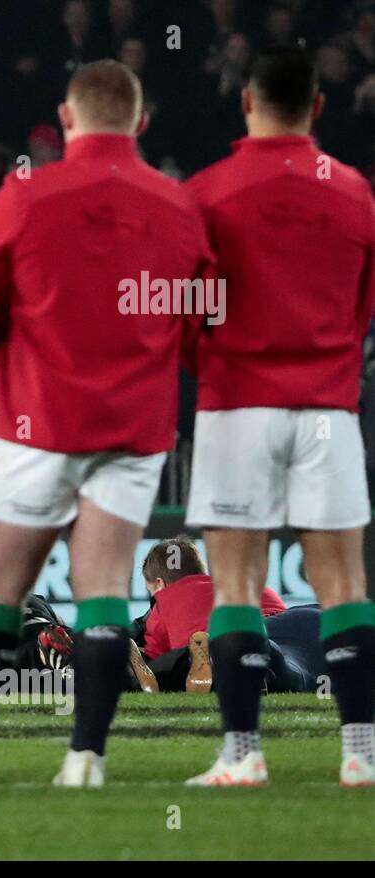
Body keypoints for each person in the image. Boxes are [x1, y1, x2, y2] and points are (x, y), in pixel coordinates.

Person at [0, 60, 212, 788]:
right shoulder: (177, 205)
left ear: (65, 117)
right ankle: (85, 757)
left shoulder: (26, 192)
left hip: (37, 418)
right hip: (133, 430)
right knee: (104, 591)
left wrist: (19, 365)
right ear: (140, 122)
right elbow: (198, 323)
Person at [183, 45, 375, 786]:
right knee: (344, 586)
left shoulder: (206, 192)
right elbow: (361, 309)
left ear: (246, 102)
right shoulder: (355, 191)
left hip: (237, 406)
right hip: (328, 407)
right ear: (318, 108)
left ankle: (242, 757)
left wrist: (220, 370)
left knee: (234, 585)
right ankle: (360, 756)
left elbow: (184, 312)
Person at [137, 537, 286, 692]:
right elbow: (282, 615)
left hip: (219, 646)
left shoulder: (163, 603)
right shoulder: (250, 586)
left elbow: (153, 660)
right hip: (276, 639)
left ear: (160, 583)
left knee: (164, 668)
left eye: (151, 590)